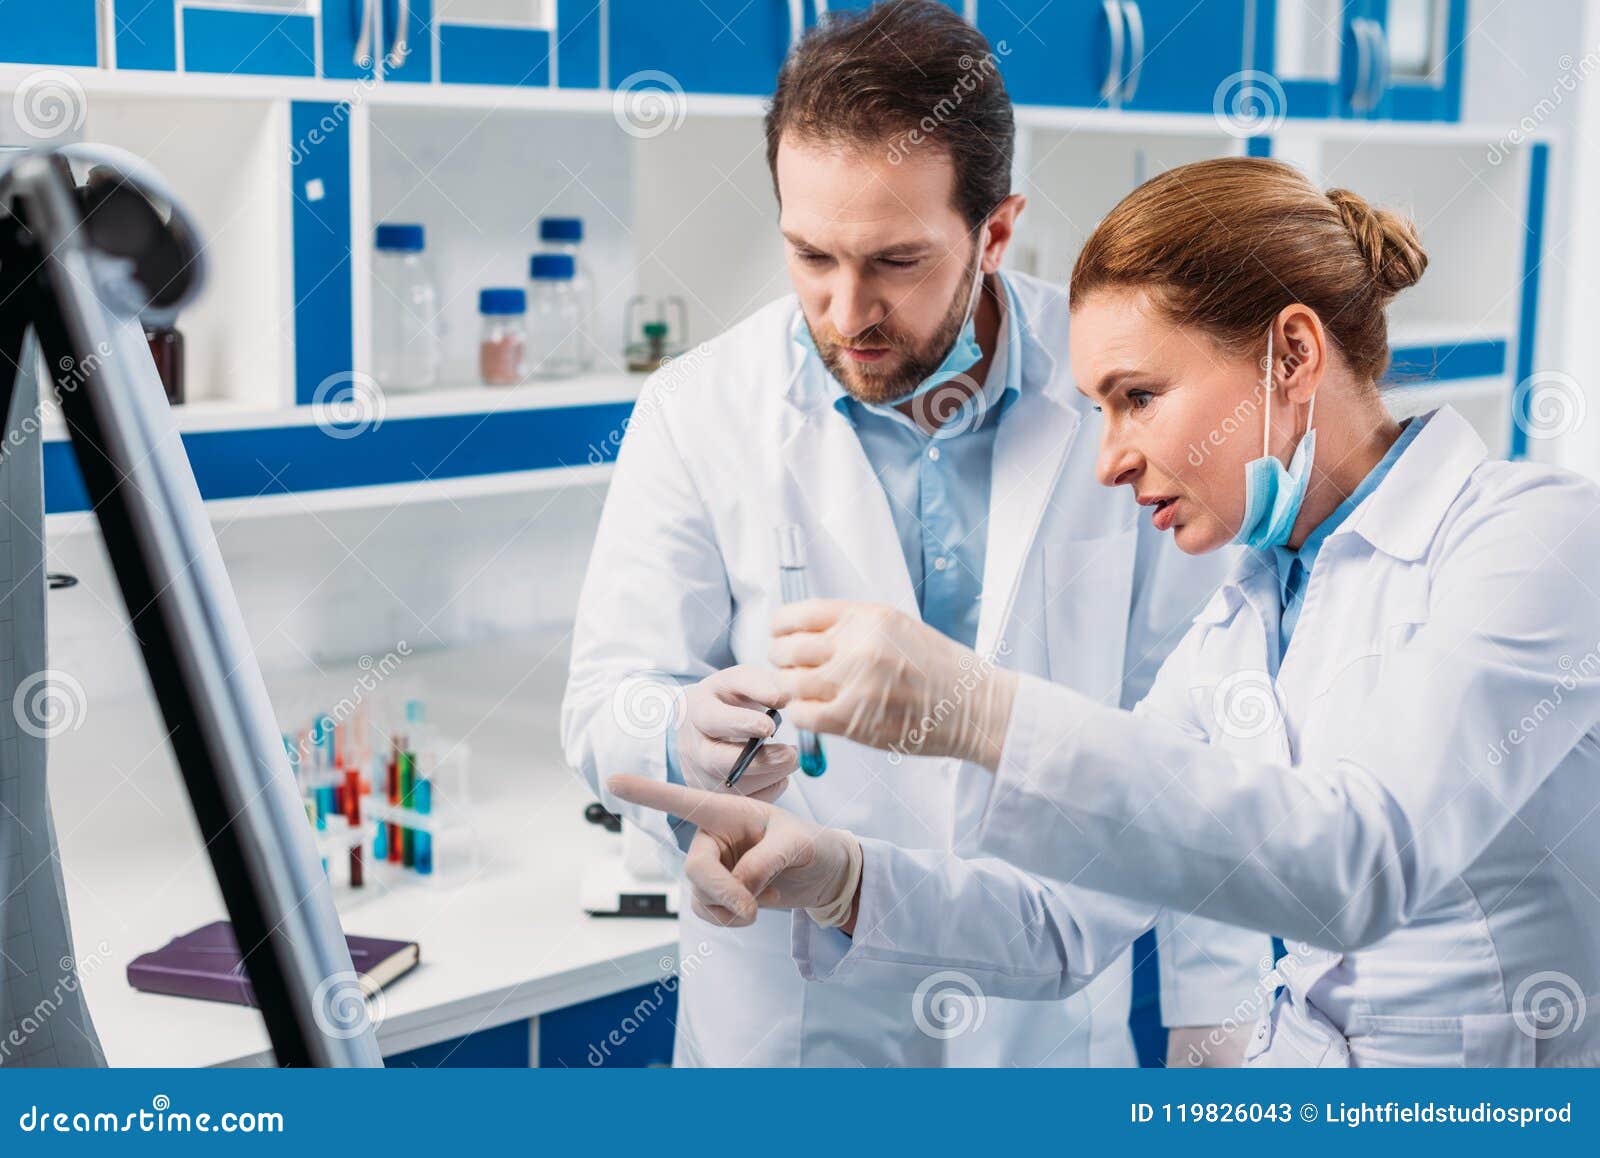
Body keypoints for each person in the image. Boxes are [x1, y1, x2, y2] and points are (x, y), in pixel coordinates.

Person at [608, 155, 1600, 1067]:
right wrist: (838, 877)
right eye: (1097, 409)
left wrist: (978, 710)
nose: (1109, 460)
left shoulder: (1536, 540)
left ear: (1292, 355)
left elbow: (1363, 865)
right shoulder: (1242, 621)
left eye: (1139, 397)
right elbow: (1063, 921)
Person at [562, 3, 1268, 1067]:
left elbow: (1198, 742)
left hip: (1041, 1023)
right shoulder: (698, 409)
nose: (847, 311)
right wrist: (676, 732)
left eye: (896, 261)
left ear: (995, 232)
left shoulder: (1122, 390)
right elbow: (603, 700)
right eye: (811, 255)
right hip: (799, 1024)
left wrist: (1215, 1024)